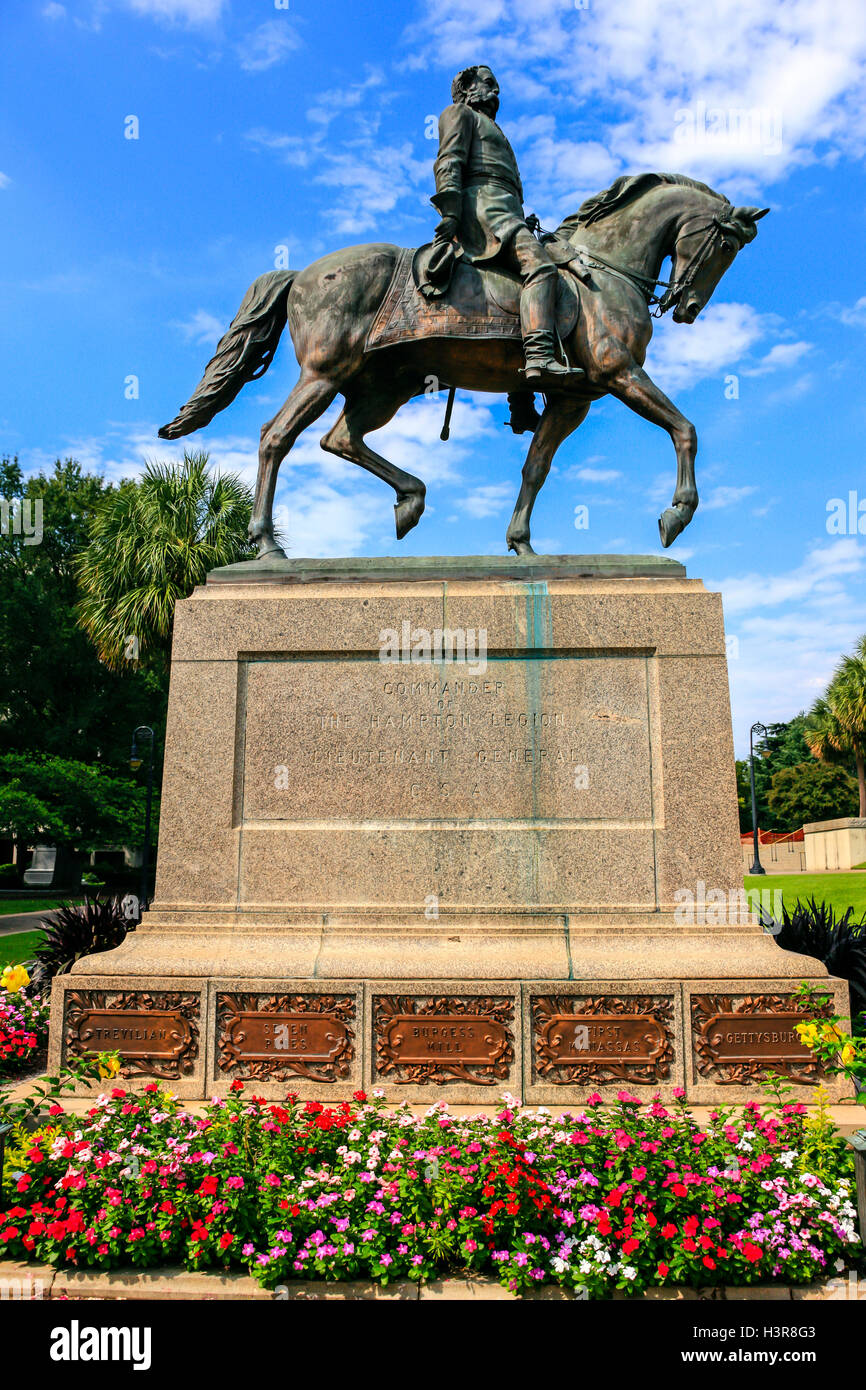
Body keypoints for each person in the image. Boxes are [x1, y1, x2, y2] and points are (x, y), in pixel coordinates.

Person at [431, 64, 585, 401]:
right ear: (467, 88)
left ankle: (521, 398)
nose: (496, 91)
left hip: (505, 212)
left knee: (519, 289)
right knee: (542, 269)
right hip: (483, 212)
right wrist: (452, 211)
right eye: (488, 84)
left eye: (496, 85)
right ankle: (540, 357)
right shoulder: (459, 113)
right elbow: (449, 162)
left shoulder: (494, 130)